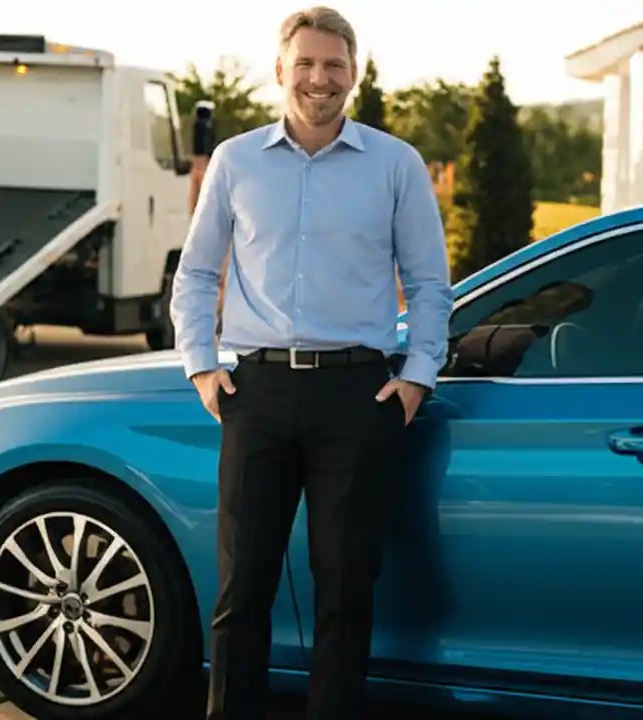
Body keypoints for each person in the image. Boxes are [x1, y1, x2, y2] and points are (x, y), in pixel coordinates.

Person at [168, 6, 454, 719]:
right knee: (242, 592)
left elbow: (427, 283)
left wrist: (417, 377)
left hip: (359, 398)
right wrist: (203, 366)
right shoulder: (236, 161)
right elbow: (198, 273)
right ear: (280, 70)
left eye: (333, 65)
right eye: (306, 64)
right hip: (257, 390)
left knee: (346, 591)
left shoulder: (395, 164)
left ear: (353, 74)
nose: (319, 79)